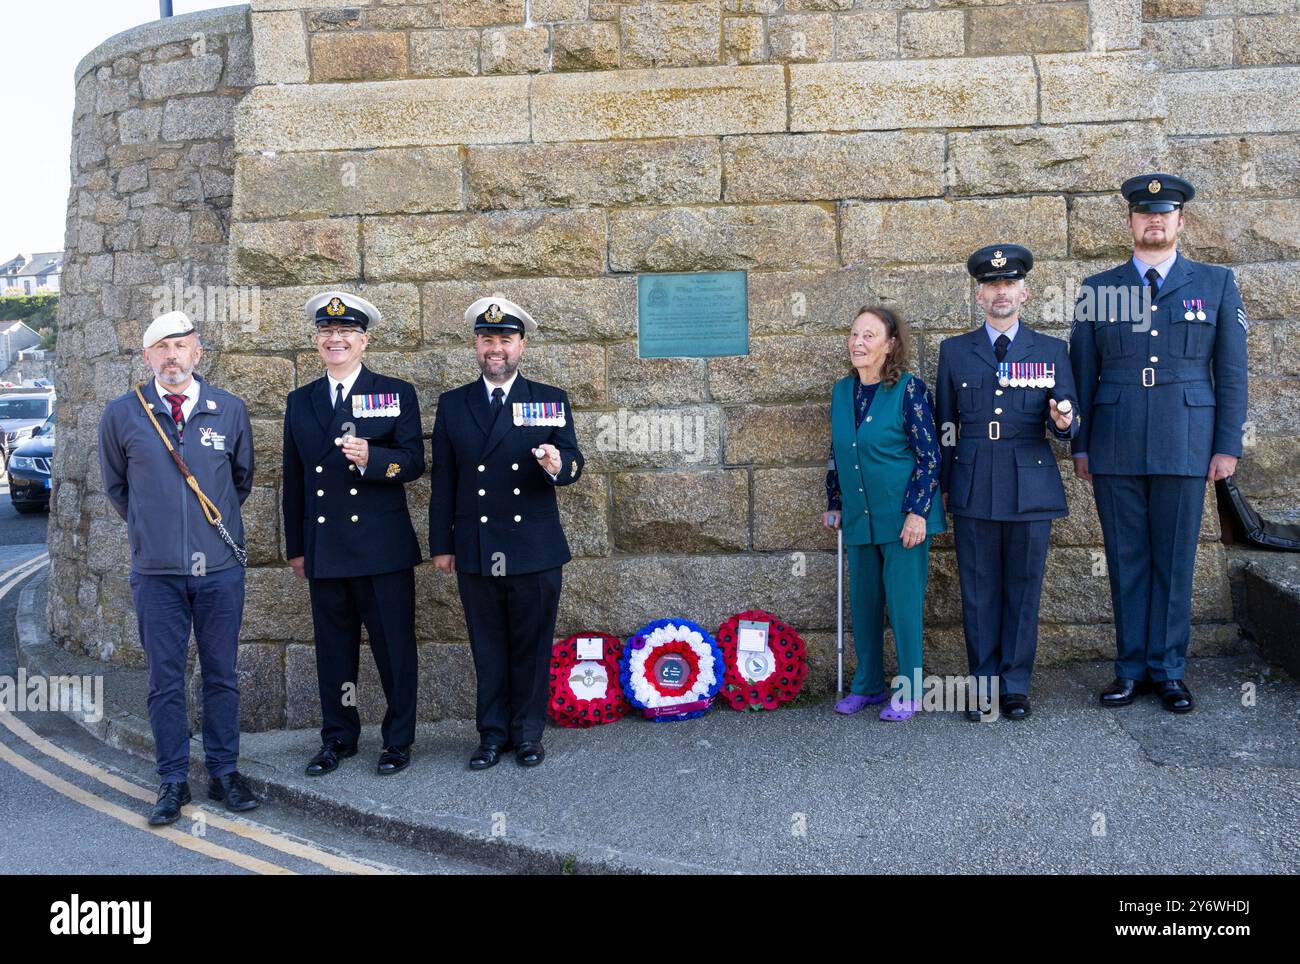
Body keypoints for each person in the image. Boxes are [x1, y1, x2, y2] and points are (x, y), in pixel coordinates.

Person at [1070, 173, 1248, 714]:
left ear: (1180, 222)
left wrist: (1227, 445)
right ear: (1129, 223)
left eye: (1164, 213)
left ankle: (1169, 670)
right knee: (1126, 559)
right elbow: (1081, 373)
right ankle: (1129, 669)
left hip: (1185, 438)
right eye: (1145, 214)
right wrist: (1081, 446)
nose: (1155, 221)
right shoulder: (1099, 289)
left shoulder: (1215, 283)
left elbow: (1232, 372)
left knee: (1174, 559)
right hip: (1116, 440)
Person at [98, 310, 257, 825]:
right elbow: (119, 489)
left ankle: (224, 773)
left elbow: (240, 481)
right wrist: (158, 532)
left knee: (221, 675)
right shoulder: (123, 415)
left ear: (197, 353)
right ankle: (171, 781)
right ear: (147, 358)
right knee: (164, 680)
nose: (171, 356)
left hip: (219, 571)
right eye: (161, 348)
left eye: (181, 346)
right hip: (156, 573)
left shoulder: (228, 410)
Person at [429, 297, 584, 769]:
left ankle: (528, 734)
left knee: (532, 646)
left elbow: (574, 460)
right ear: (476, 345)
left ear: (521, 345)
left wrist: (559, 466)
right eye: (487, 340)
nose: (495, 349)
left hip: (533, 547)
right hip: (476, 546)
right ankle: (492, 734)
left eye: (505, 340)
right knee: (488, 646)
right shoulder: (454, 403)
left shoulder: (548, 398)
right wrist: (442, 545)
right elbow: (445, 480)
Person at [282, 292, 425, 776]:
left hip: (382, 550)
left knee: (395, 651)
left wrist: (374, 460)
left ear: (364, 340)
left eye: (346, 333)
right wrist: (297, 549)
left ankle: (397, 740)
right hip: (326, 551)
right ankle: (338, 737)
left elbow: (414, 462)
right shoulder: (300, 401)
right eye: (327, 332)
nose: (335, 339)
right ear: (318, 340)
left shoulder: (395, 392)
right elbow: (295, 478)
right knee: (334, 653)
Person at [935, 245, 1079, 721]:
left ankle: (1015, 686)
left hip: (1030, 483)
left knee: (1023, 587)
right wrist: (946, 485)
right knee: (977, 589)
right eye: (993, 285)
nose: (1002, 292)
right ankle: (982, 684)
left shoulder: (1052, 351)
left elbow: (1069, 420)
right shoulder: (954, 352)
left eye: (1010, 284)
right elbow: (946, 427)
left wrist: (1062, 421)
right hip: (975, 482)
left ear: (1025, 291)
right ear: (979, 295)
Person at [822, 305, 944, 721]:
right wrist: (834, 502)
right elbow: (837, 453)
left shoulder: (908, 390)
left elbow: (930, 457)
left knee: (904, 606)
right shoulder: (841, 392)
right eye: (854, 334)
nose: (858, 342)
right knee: (865, 604)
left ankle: (910, 690)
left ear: (890, 345)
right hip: (860, 516)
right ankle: (869, 685)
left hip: (903, 518)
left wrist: (917, 512)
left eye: (869, 335)